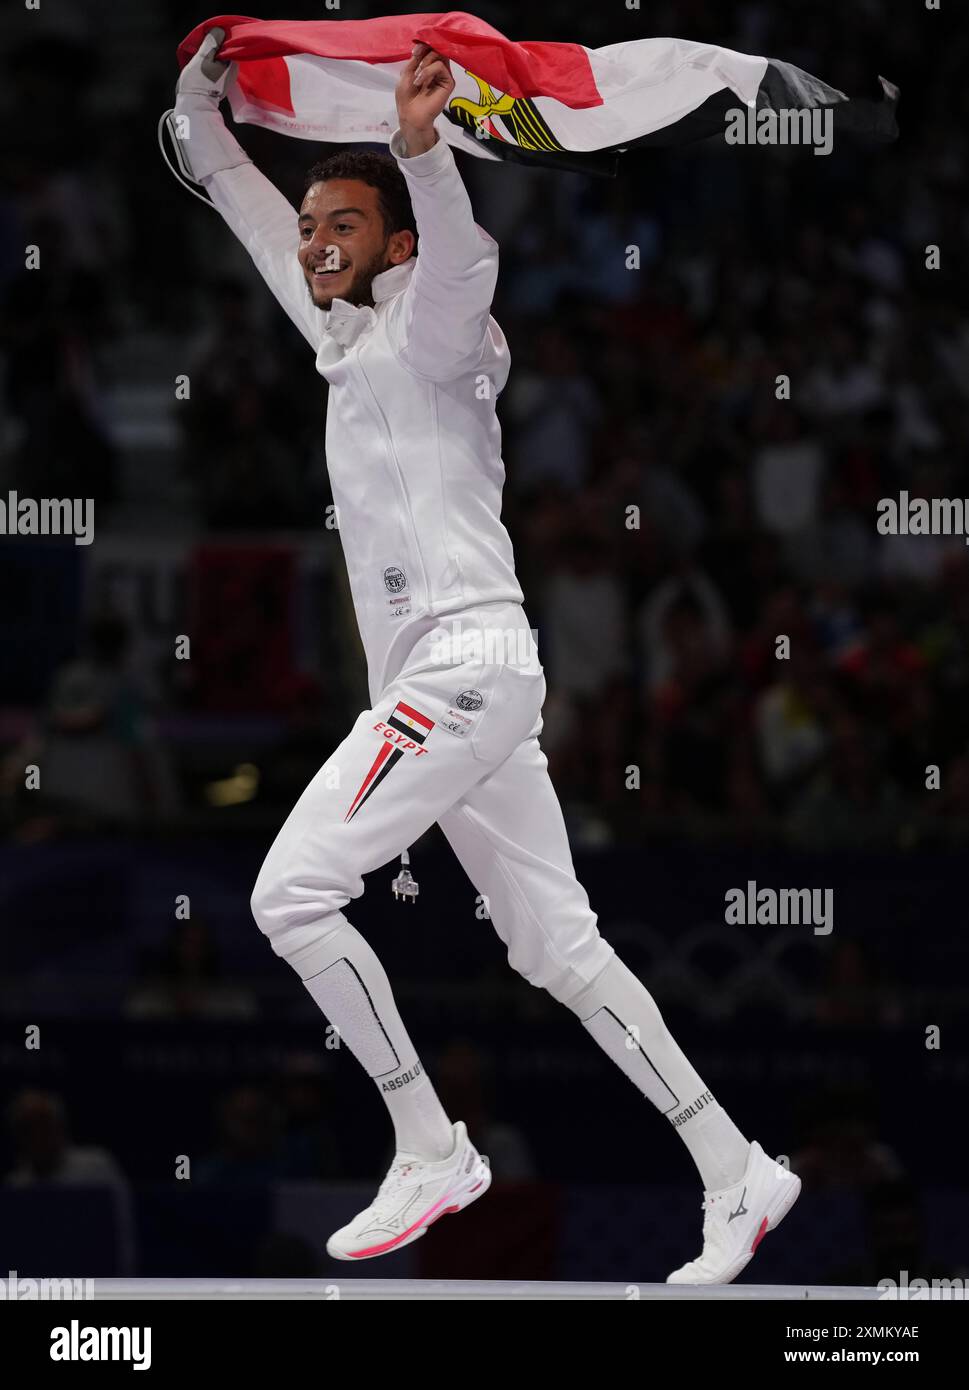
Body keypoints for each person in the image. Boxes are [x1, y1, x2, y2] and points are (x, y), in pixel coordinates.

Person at [169, 29, 799, 1279]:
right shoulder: (341, 339)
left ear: (392, 245)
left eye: (342, 224)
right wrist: (199, 104)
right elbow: (236, 197)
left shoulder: (438, 328)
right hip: (469, 683)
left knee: (290, 892)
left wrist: (421, 151)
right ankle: (738, 1167)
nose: (314, 242)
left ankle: (426, 1143)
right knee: (556, 947)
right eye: (311, 227)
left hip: (461, 667)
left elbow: (464, 252)